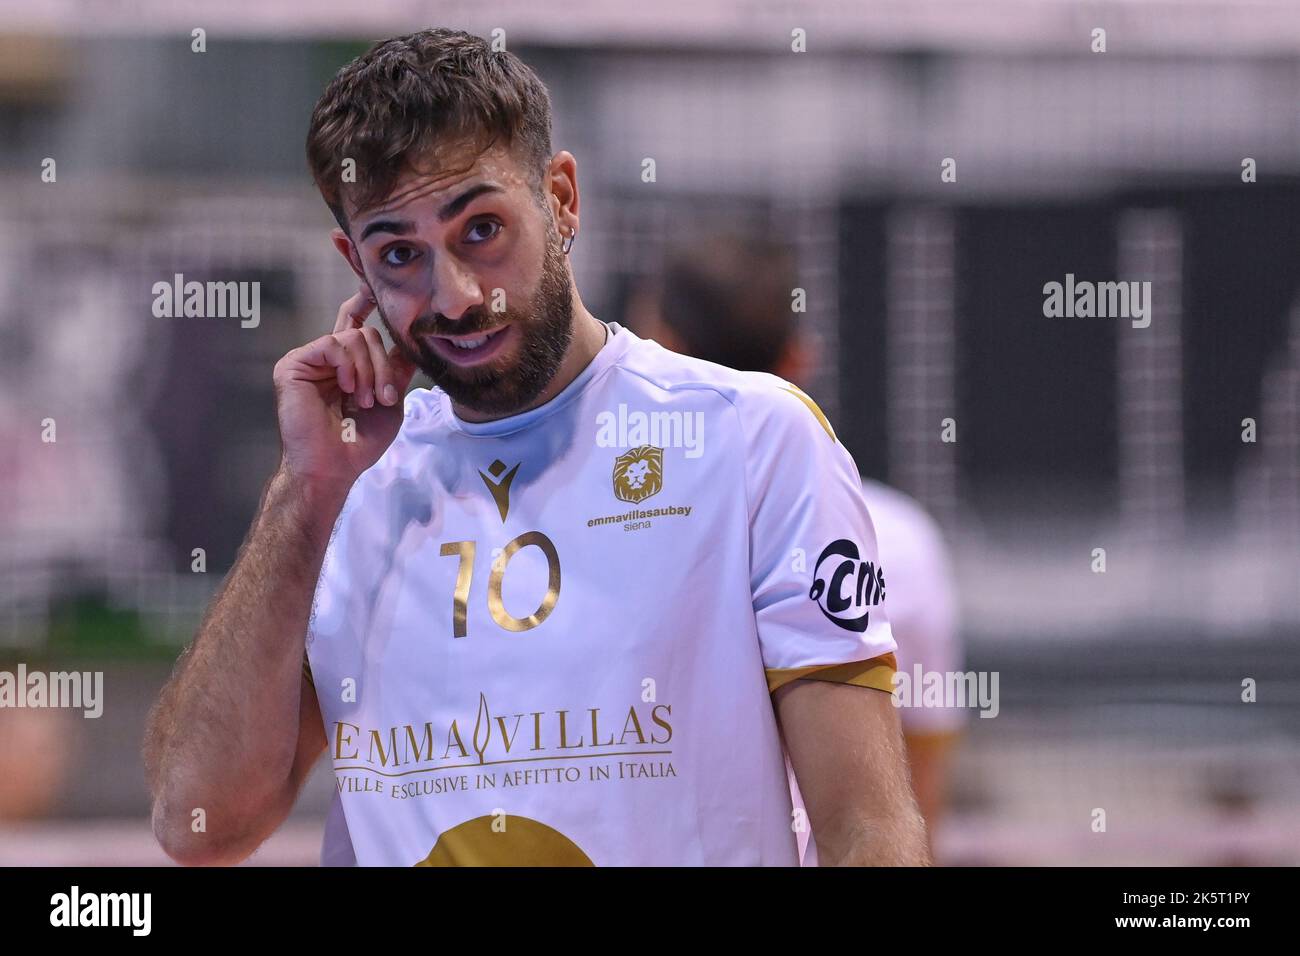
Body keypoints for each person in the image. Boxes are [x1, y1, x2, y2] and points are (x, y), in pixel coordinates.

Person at [142, 29, 928, 866]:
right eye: (400, 254)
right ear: (355, 265)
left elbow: (867, 829)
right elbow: (200, 822)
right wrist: (305, 489)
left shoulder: (751, 440)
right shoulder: (344, 488)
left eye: (481, 229)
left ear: (561, 198)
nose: (454, 296)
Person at [629, 232, 964, 862]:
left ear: (659, 348)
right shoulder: (908, 543)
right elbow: (917, 787)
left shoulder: (613, 531)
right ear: (801, 358)